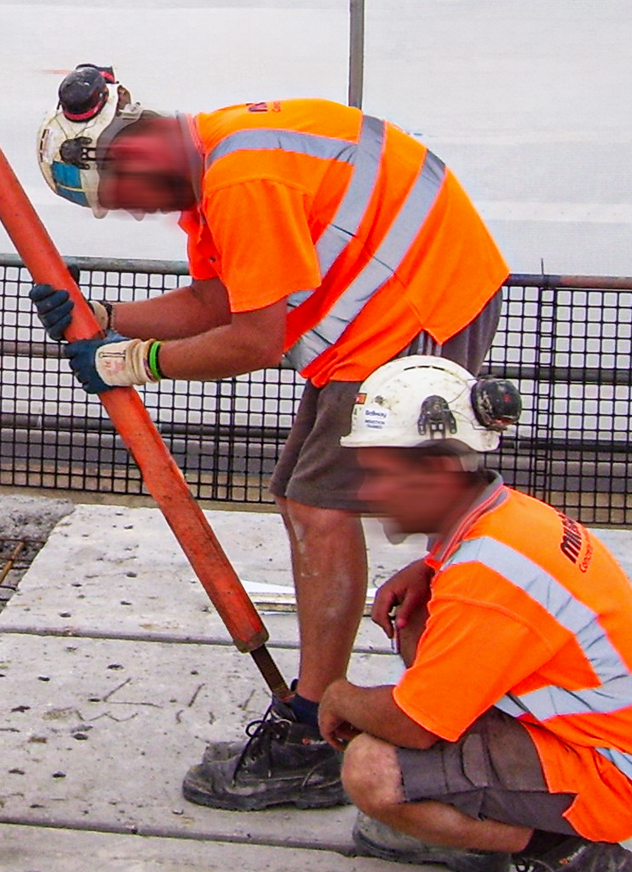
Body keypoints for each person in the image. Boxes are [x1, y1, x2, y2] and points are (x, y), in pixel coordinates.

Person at [30, 64, 509, 811]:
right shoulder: (219, 167)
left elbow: (252, 338)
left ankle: (314, 731)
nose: (131, 214)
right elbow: (217, 298)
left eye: (121, 201)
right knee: (299, 497)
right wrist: (107, 316)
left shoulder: (240, 180)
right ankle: (323, 715)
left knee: (321, 509)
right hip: (385, 309)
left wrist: (127, 363)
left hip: (415, 306)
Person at [320, 354, 632, 872]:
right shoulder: (508, 516)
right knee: (421, 625)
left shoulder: (487, 577)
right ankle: (482, 813)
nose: (368, 493)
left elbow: (415, 725)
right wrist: (428, 568)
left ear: (438, 467)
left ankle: (565, 851)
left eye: (380, 473)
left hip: (610, 782)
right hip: (606, 746)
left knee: (373, 769)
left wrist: (338, 695)